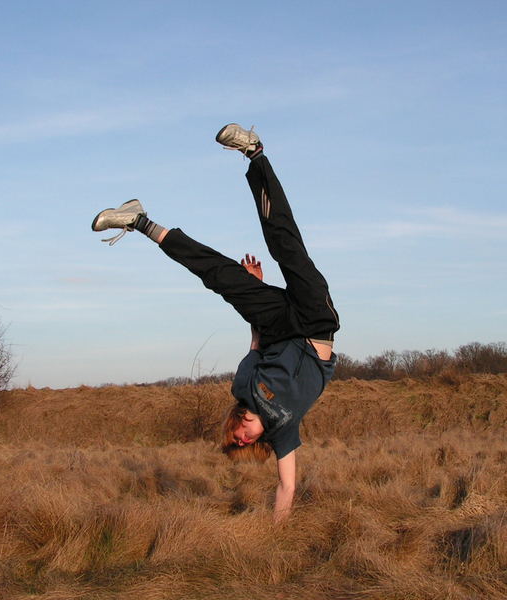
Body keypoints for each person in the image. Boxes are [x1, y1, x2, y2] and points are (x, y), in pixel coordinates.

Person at [91, 124, 340, 521]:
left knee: (221, 277)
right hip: (315, 324)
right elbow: (287, 486)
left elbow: (257, 344)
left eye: (232, 438)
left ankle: (141, 221)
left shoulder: (242, 388)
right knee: (286, 243)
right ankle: (255, 153)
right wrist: (276, 537)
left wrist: (252, 292)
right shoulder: (283, 433)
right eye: (242, 443)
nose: (239, 436)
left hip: (276, 327)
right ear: (256, 444)